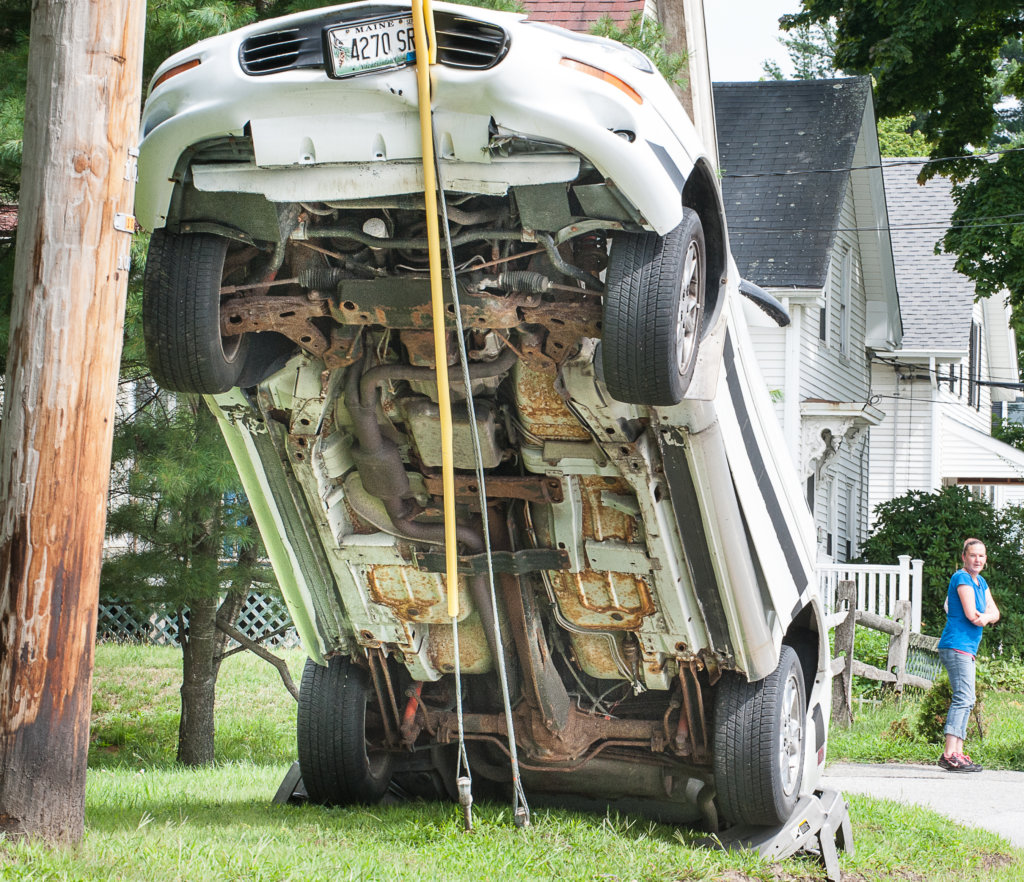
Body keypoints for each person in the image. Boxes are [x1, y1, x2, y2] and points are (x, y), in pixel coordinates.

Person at [936, 538, 1000, 772]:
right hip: (956, 645)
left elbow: (995, 612)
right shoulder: (961, 578)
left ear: (986, 558)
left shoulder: (981, 581)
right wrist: (985, 616)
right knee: (963, 698)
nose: (977, 560)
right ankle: (949, 754)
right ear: (964, 557)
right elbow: (972, 615)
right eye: (973, 555)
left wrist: (986, 616)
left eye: (981, 556)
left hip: (967, 647)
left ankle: (958, 753)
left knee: (967, 698)